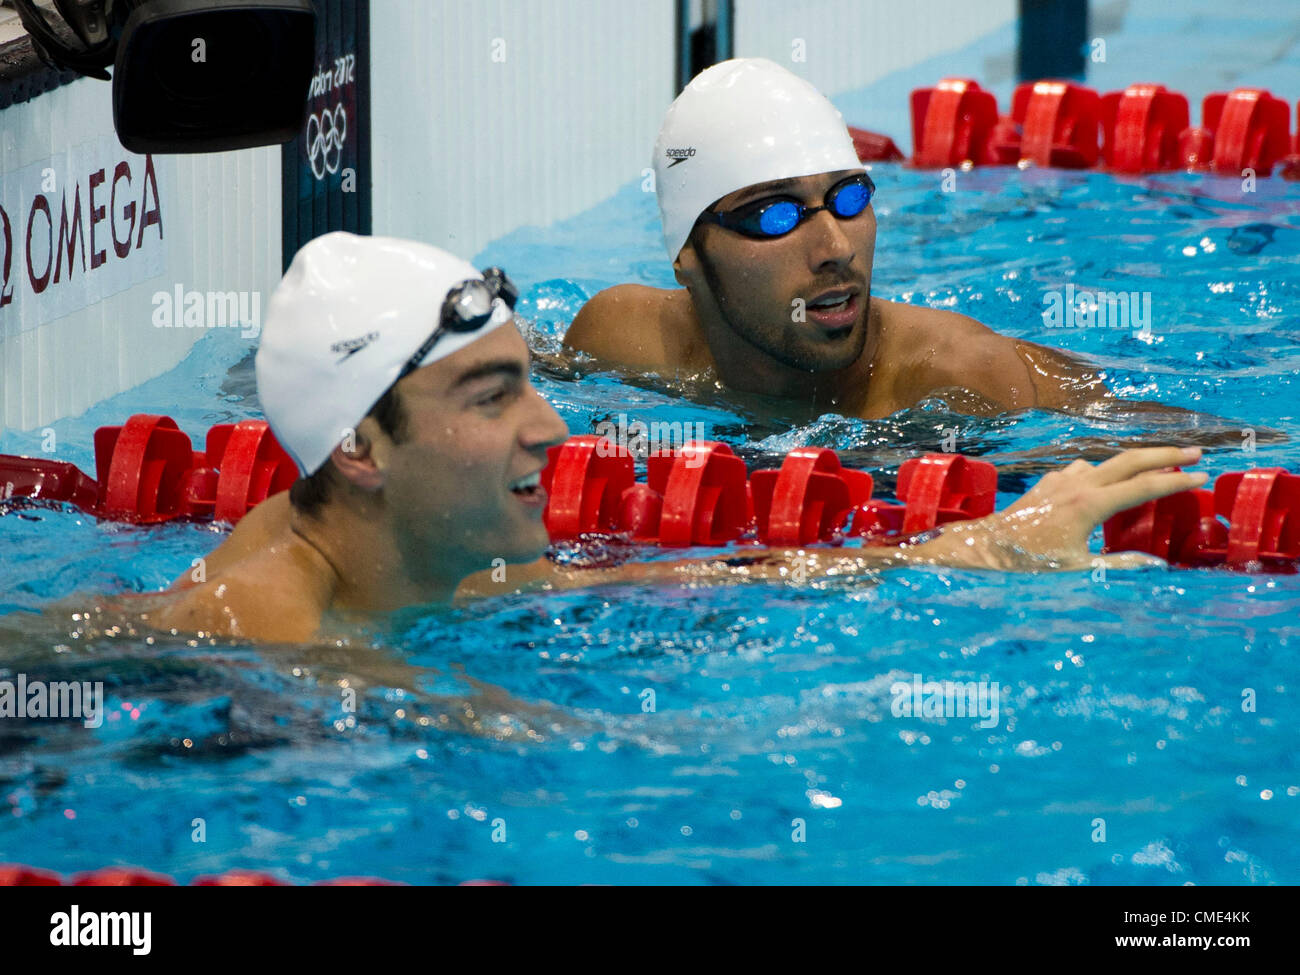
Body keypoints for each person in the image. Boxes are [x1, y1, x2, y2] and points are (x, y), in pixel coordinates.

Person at [140, 232, 1209, 643]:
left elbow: (706, 579)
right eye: (490, 396)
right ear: (361, 448)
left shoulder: (430, 567)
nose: (549, 424)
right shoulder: (258, 629)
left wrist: (967, 548)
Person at [561, 58, 1216, 427]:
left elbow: (1191, 443)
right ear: (690, 258)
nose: (835, 247)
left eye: (849, 199)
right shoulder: (618, 340)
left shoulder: (959, 383)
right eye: (774, 216)